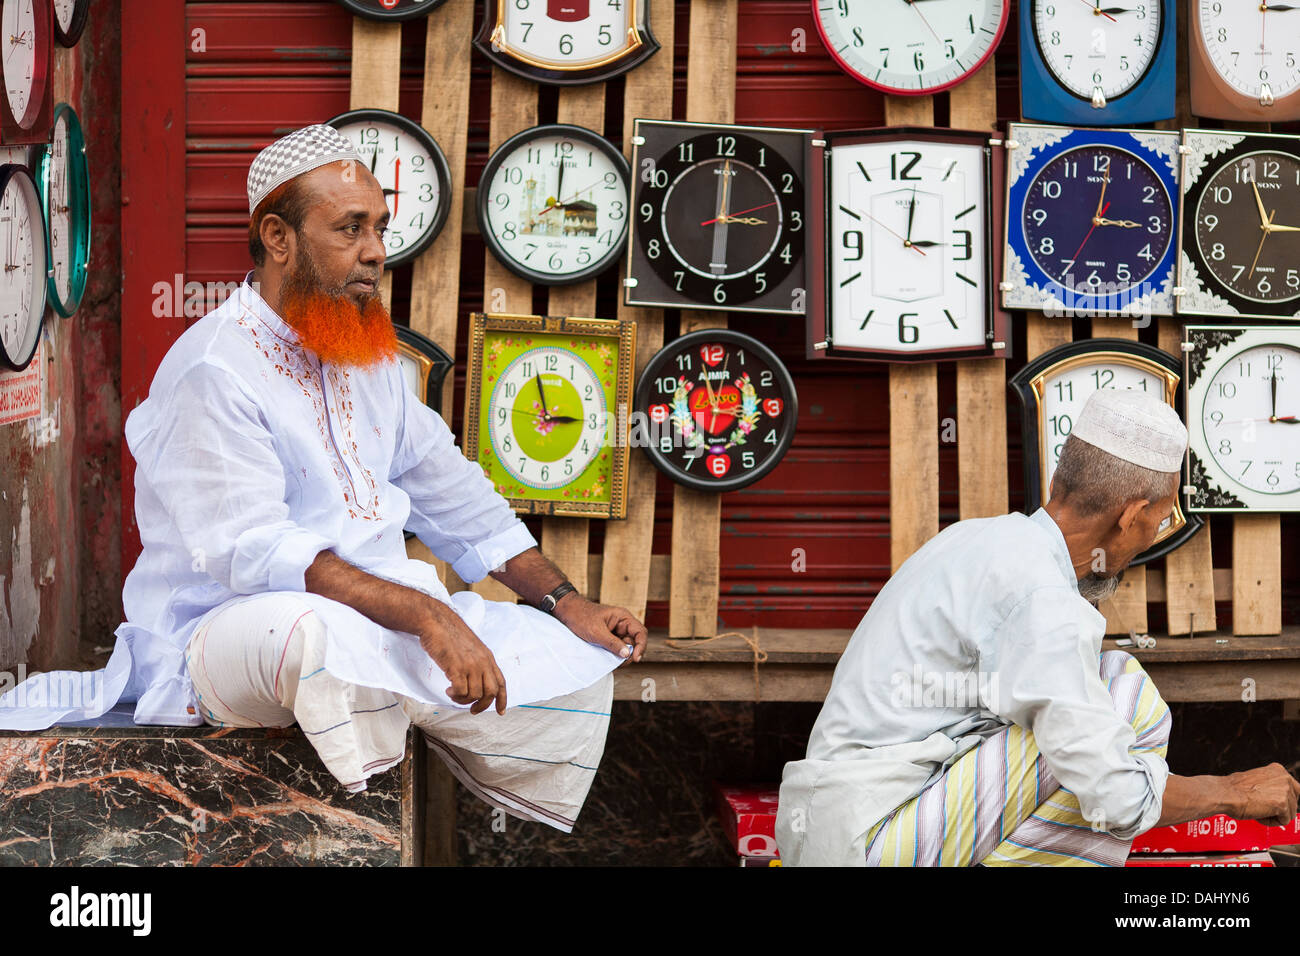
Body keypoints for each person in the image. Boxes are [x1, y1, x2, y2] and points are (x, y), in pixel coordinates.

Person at [0, 125, 649, 832]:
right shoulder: (213, 367)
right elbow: (255, 551)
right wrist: (425, 616)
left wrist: (564, 601)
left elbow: (457, 498)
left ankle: (394, 699)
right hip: (227, 633)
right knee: (310, 635)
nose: (375, 250)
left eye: (378, 227)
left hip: (376, 619)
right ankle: (364, 761)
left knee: (567, 652)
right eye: (350, 228)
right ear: (278, 237)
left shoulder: (369, 360)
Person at [776, 389, 1300, 866]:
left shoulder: (974, 539)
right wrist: (1235, 791)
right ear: (1132, 515)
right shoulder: (1042, 597)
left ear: (1056, 482)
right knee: (1122, 699)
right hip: (869, 840)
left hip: (832, 827)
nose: (1152, 534)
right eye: (1160, 519)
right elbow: (1113, 796)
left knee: (1095, 692)